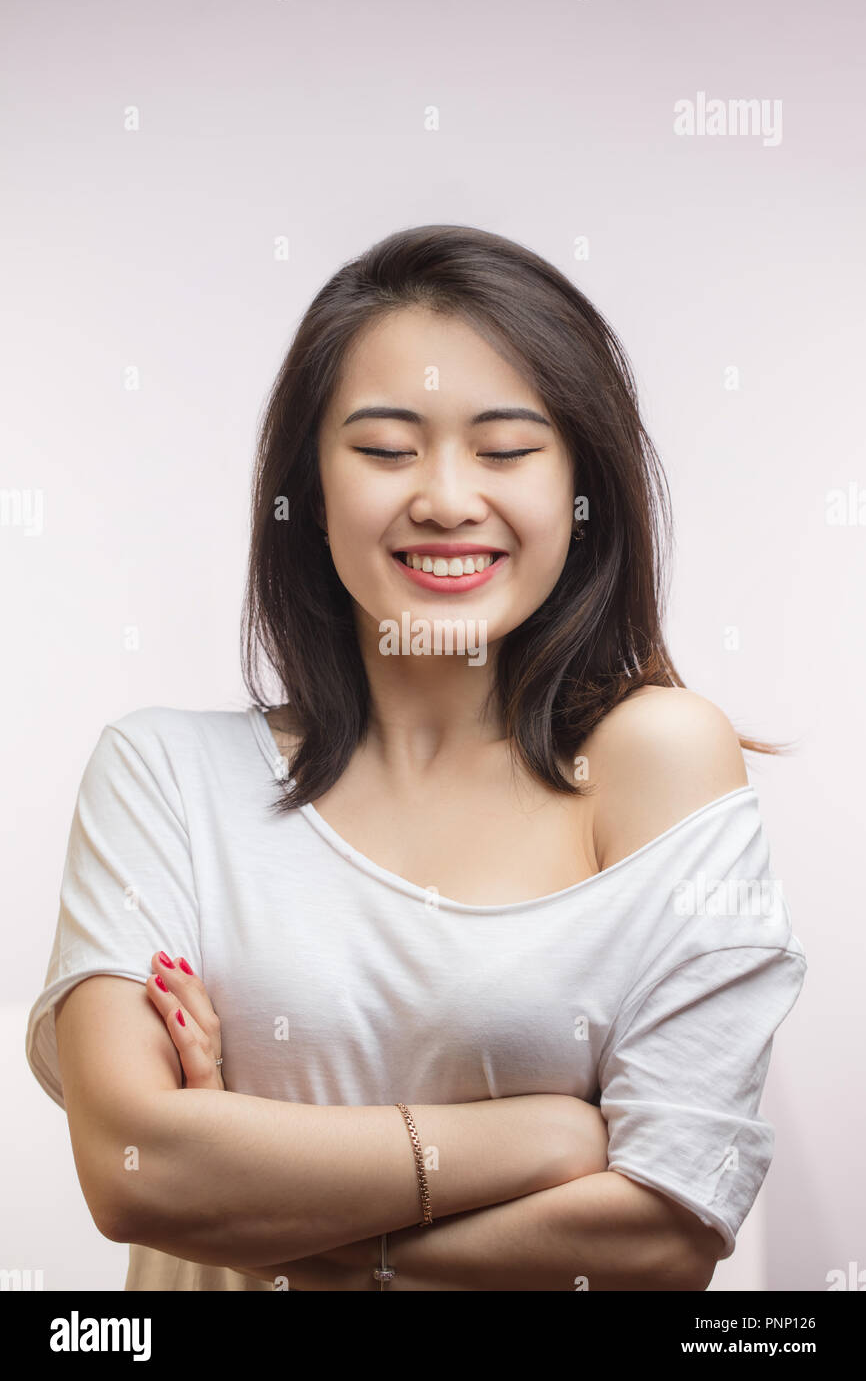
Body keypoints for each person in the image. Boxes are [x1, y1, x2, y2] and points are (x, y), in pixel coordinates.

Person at [25, 224, 806, 1291]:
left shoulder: (658, 759)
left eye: (505, 449)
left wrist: (271, 1199)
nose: (443, 497)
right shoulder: (160, 775)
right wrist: (548, 1140)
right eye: (386, 448)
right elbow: (134, 1172)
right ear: (308, 486)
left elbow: (664, 1234)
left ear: (583, 487)